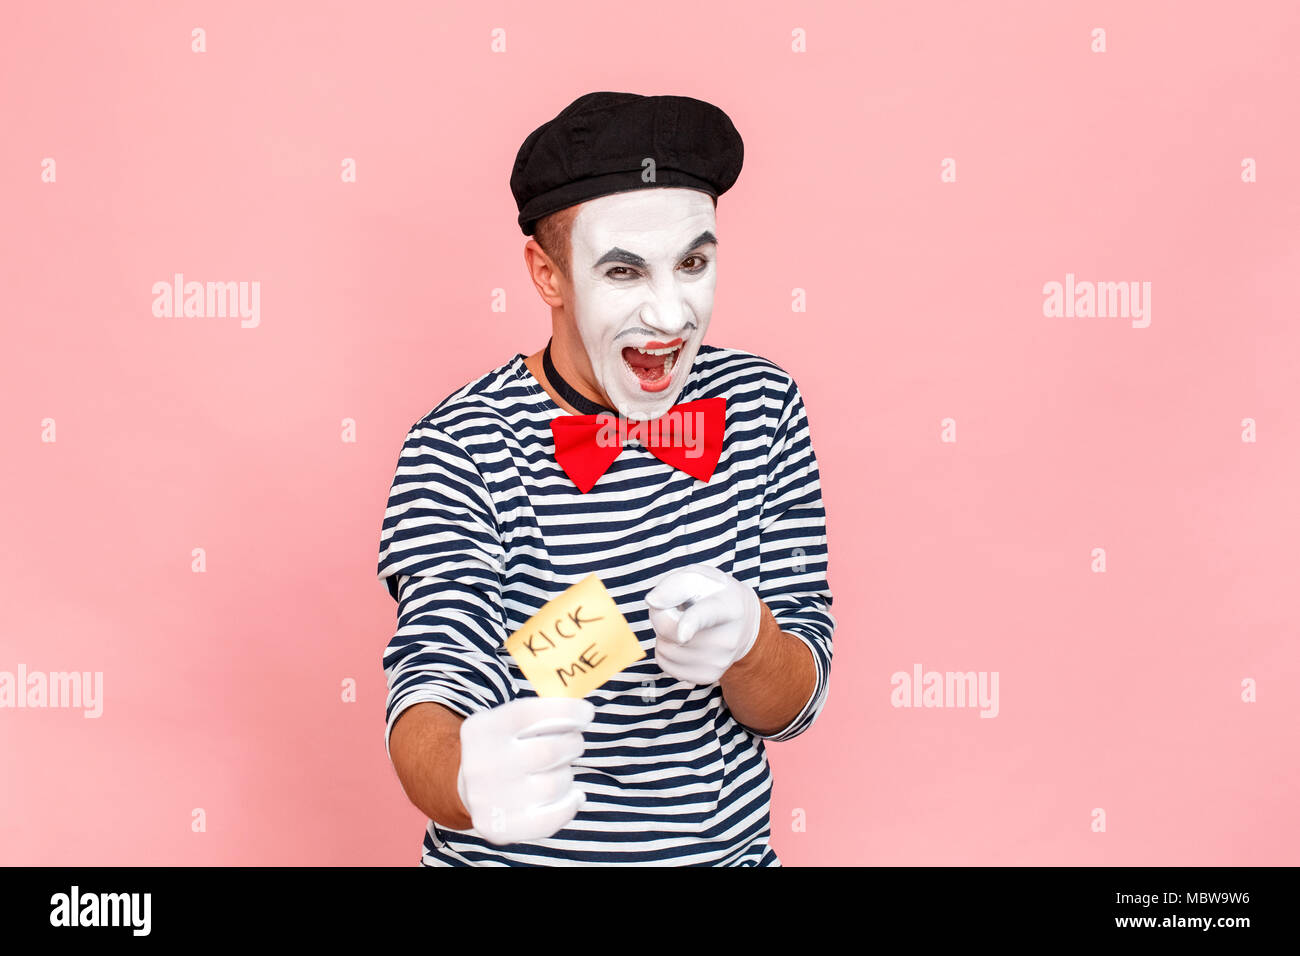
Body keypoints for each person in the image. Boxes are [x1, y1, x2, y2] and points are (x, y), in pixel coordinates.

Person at [377, 91, 835, 865]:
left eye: (693, 263)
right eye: (624, 271)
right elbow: (432, 680)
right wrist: (459, 776)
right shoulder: (458, 444)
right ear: (547, 275)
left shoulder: (764, 409)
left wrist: (752, 644)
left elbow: (793, 705)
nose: (670, 315)